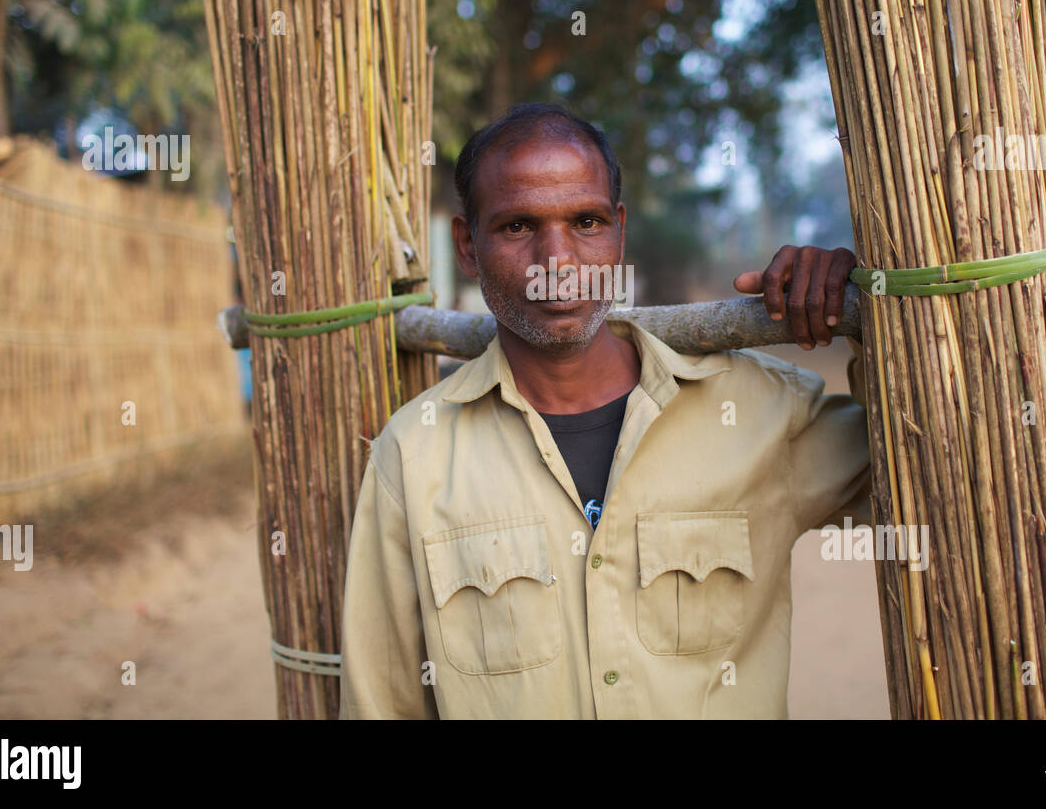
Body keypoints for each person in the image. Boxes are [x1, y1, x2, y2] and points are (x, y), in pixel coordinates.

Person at [339, 102, 871, 719]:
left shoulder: (763, 413)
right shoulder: (415, 453)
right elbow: (383, 703)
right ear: (467, 244)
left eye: (586, 222)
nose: (557, 262)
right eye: (517, 227)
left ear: (618, 232)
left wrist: (868, 315)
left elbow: (933, 481)